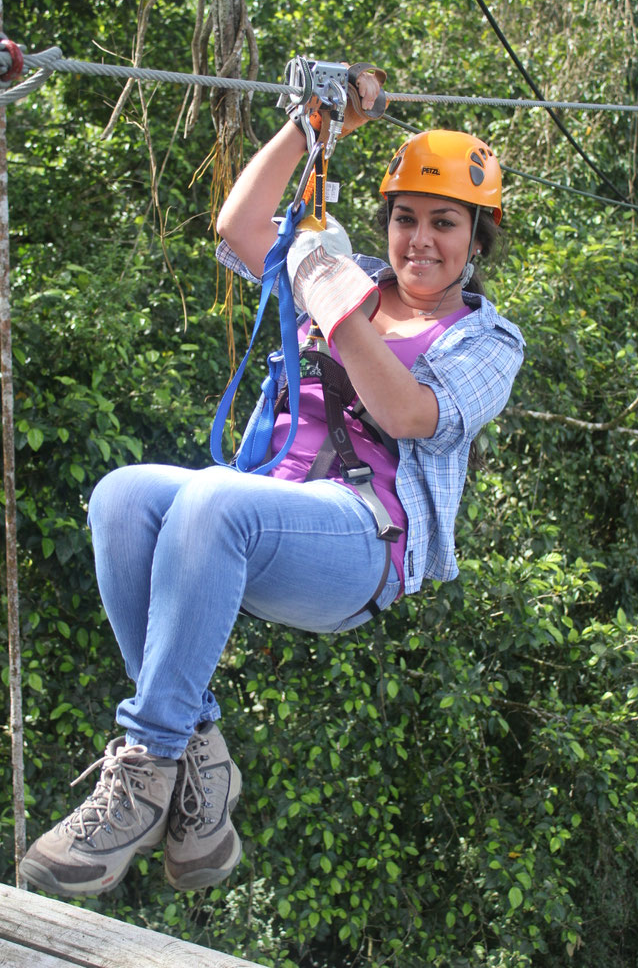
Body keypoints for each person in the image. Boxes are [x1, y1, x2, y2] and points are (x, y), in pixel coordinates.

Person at [19, 67, 524, 898]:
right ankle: (201, 767)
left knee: (214, 497)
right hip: (267, 504)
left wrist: (335, 303)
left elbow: (406, 414)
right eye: (405, 220)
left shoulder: (487, 340)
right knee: (122, 494)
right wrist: (313, 124)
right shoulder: (345, 269)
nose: (420, 242)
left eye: (445, 224)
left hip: (365, 540)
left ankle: (145, 771)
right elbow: (240, 224)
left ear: (478, 238)